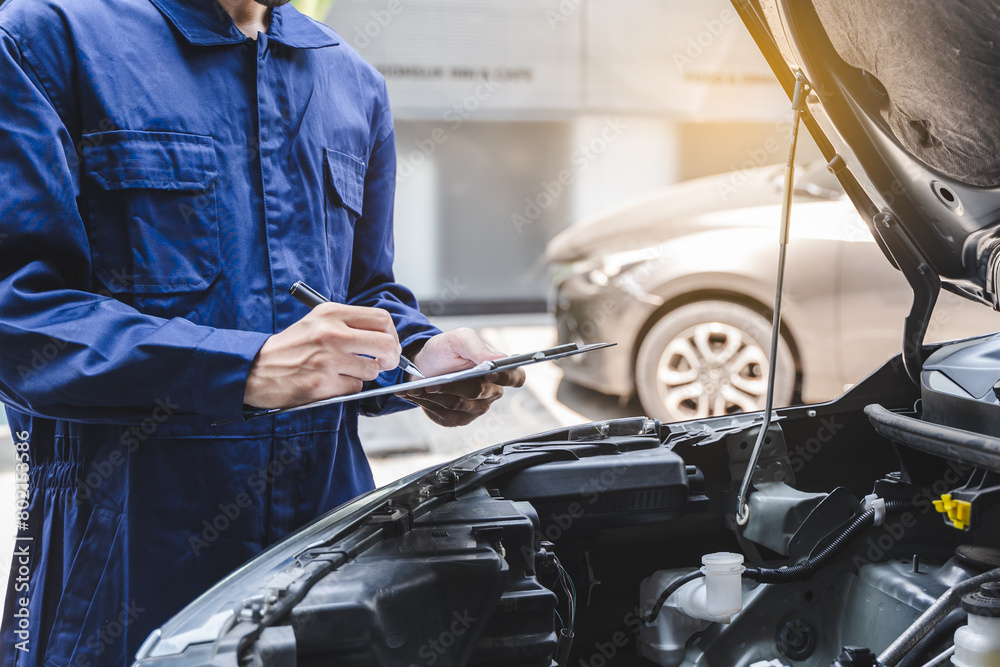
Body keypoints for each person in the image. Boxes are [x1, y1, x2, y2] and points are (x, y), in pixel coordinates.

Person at [0, 0, 524, 664]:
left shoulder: (350, 80)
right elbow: (18, 316)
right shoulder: (46, 38)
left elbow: (365, 294)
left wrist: (420, 357)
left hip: (329, 560)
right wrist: (240, 367)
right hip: (122, 576)